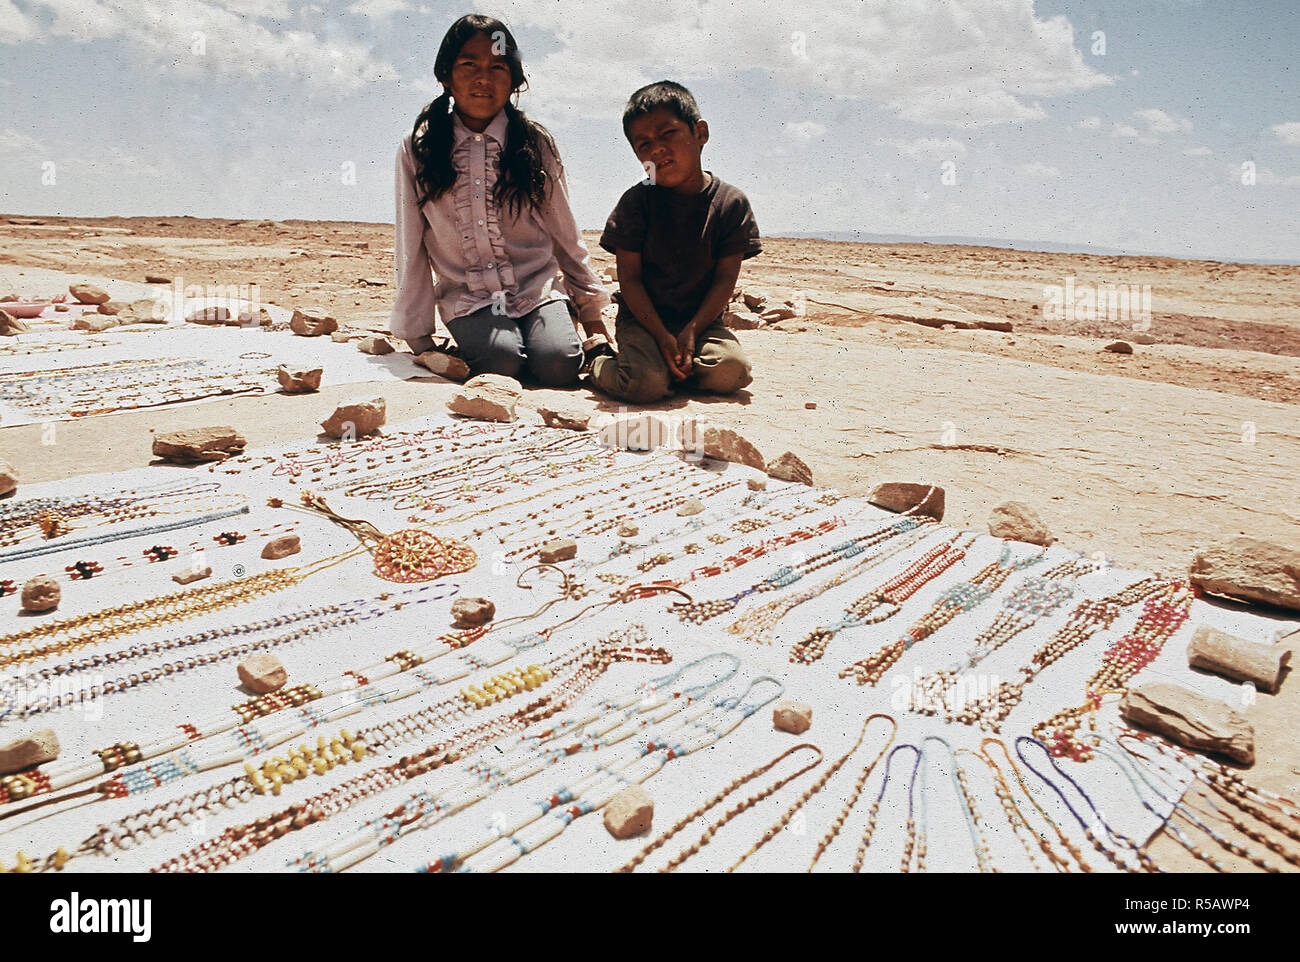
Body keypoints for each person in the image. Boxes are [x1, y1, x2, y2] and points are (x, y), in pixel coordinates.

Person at [389, 14, 609, 386]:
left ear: (514, 78)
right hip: (468, 296)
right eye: (468, 64)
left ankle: (555, 327)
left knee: (559, 365)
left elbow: (565, 234)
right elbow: (411, 245)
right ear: (445, 76)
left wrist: (594, 324)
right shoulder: (419, 149)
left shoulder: (535, 143)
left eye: (497, 67)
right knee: (500, 361)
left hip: (534, 289)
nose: (483, 78)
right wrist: (419, 338)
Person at [588, 81, 760, 404]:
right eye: (644, 144)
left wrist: (693, 330)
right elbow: (630, 281)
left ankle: (669, 368)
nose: (657, 149)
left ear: (700, 134)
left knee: (733, 369)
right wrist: (661, 336)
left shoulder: (731, 204)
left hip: (702, 323)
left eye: (668, 134)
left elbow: (725, 280)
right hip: (643, 319)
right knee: (644, 386)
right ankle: (598, 359)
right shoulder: (636, 203)